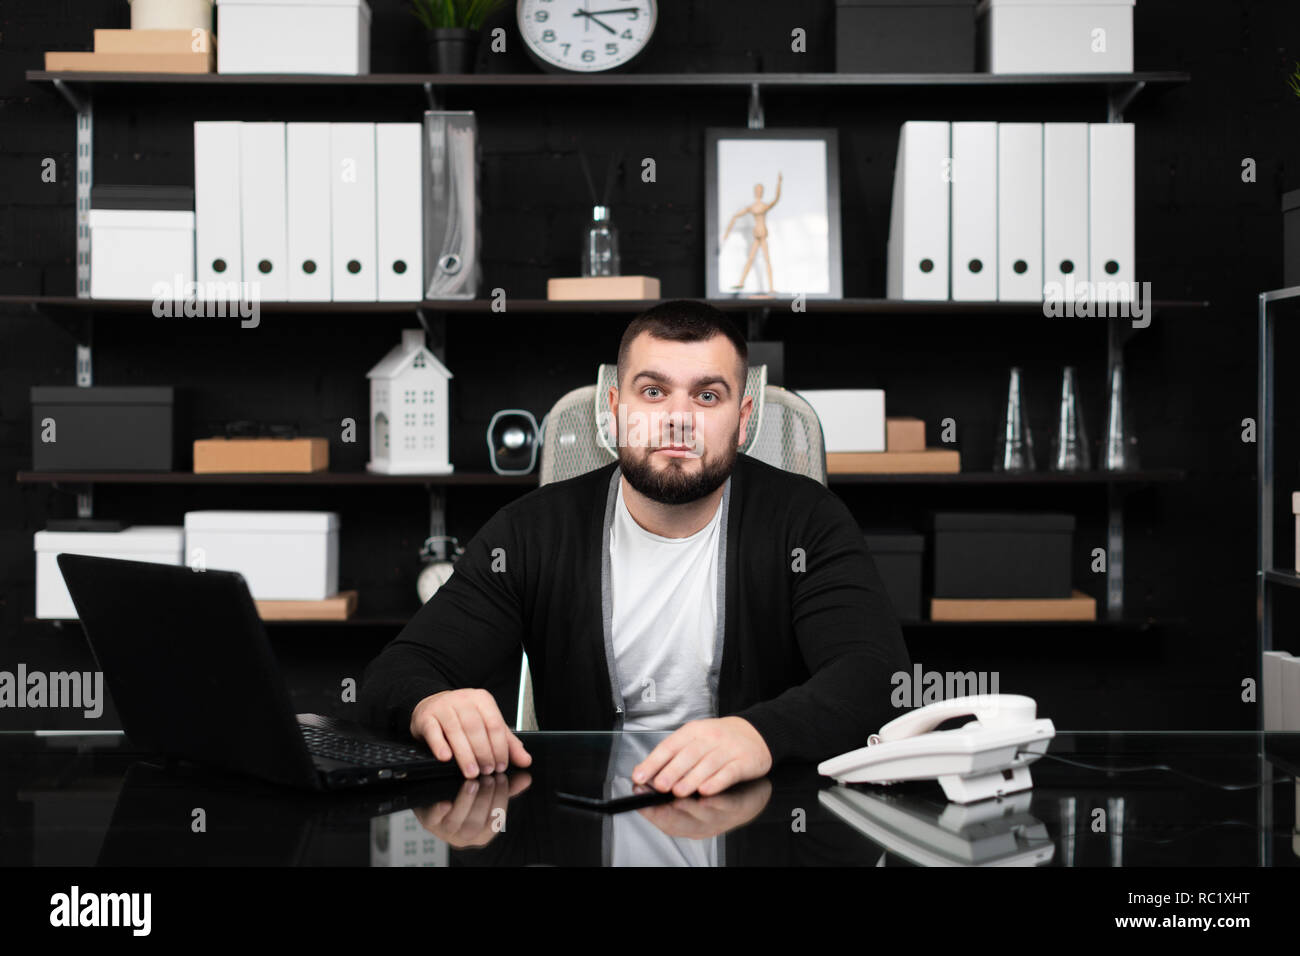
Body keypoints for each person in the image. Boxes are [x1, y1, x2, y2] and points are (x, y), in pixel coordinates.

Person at [359, 299, 909, 798]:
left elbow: (876, 678)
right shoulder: (531, 531)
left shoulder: (807, 522)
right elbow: (397, 671)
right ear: (615, 409)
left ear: (742, 421)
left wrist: (758, 734)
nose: (677, 419)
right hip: (582, 821)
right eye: (653, 392)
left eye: (707, 395)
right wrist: (431, 703)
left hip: (758, 818)